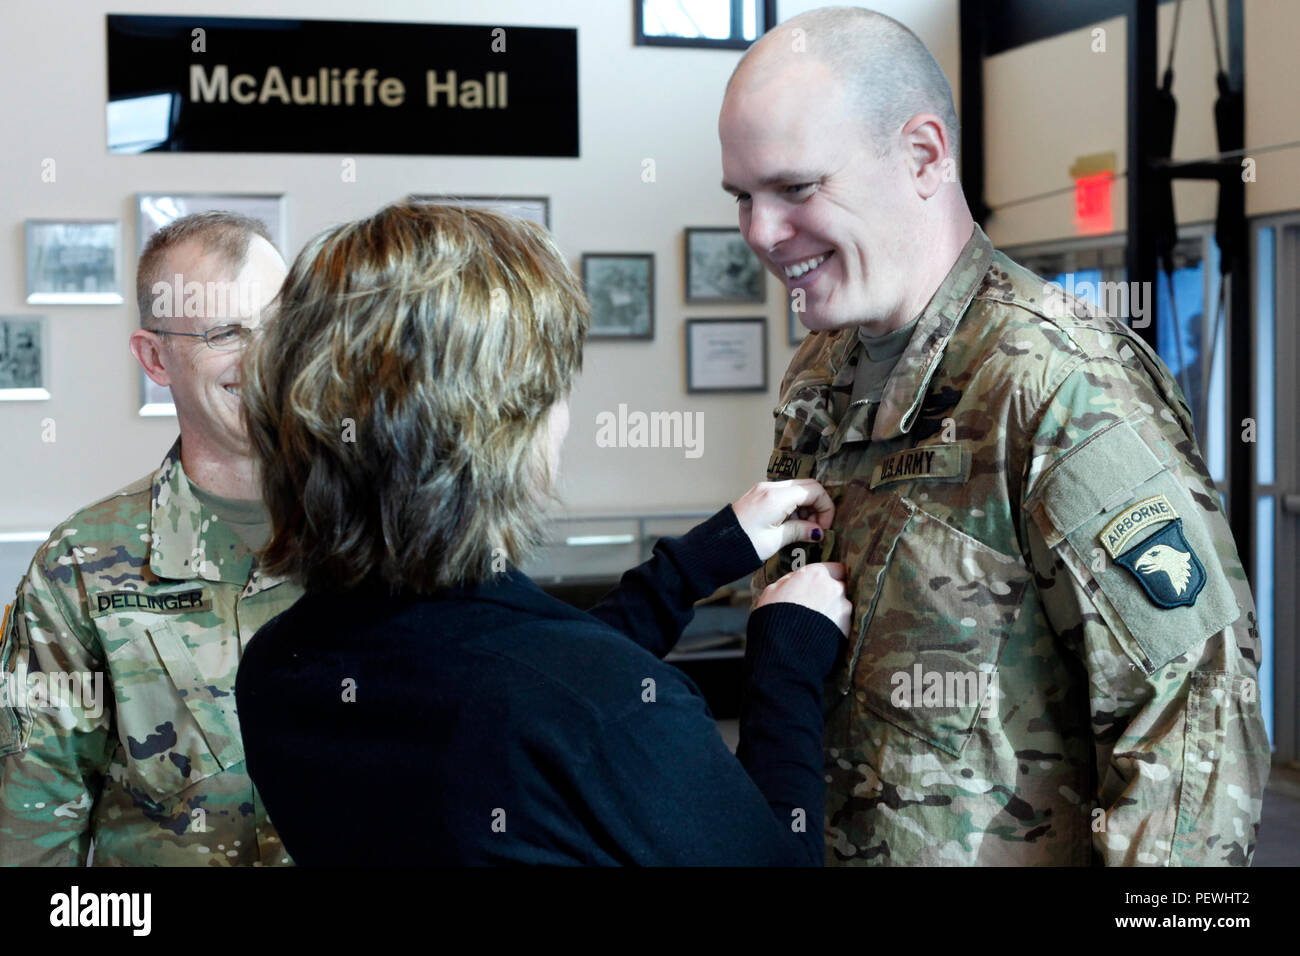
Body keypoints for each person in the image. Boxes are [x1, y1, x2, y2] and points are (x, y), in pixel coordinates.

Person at [720, 6, 1270, 865]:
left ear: (924, 156)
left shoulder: (1057, 384)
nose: (760, 232)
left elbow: (1191, 723)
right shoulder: (821, 370)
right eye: (743, 199)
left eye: (795, 189)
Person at [234, 201, 851, 866]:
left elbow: (517, 684)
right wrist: (785, 663)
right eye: (555, 393)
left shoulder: (278, 664)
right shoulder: (600, 709)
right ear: (499, 435)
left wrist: (698, 562)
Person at [0, 212, 298, 865]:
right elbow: (32, 831)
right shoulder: (80, 566)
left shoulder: (373, 541)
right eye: (224, 332)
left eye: (276, 327)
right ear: (155, 358)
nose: (260, 357)